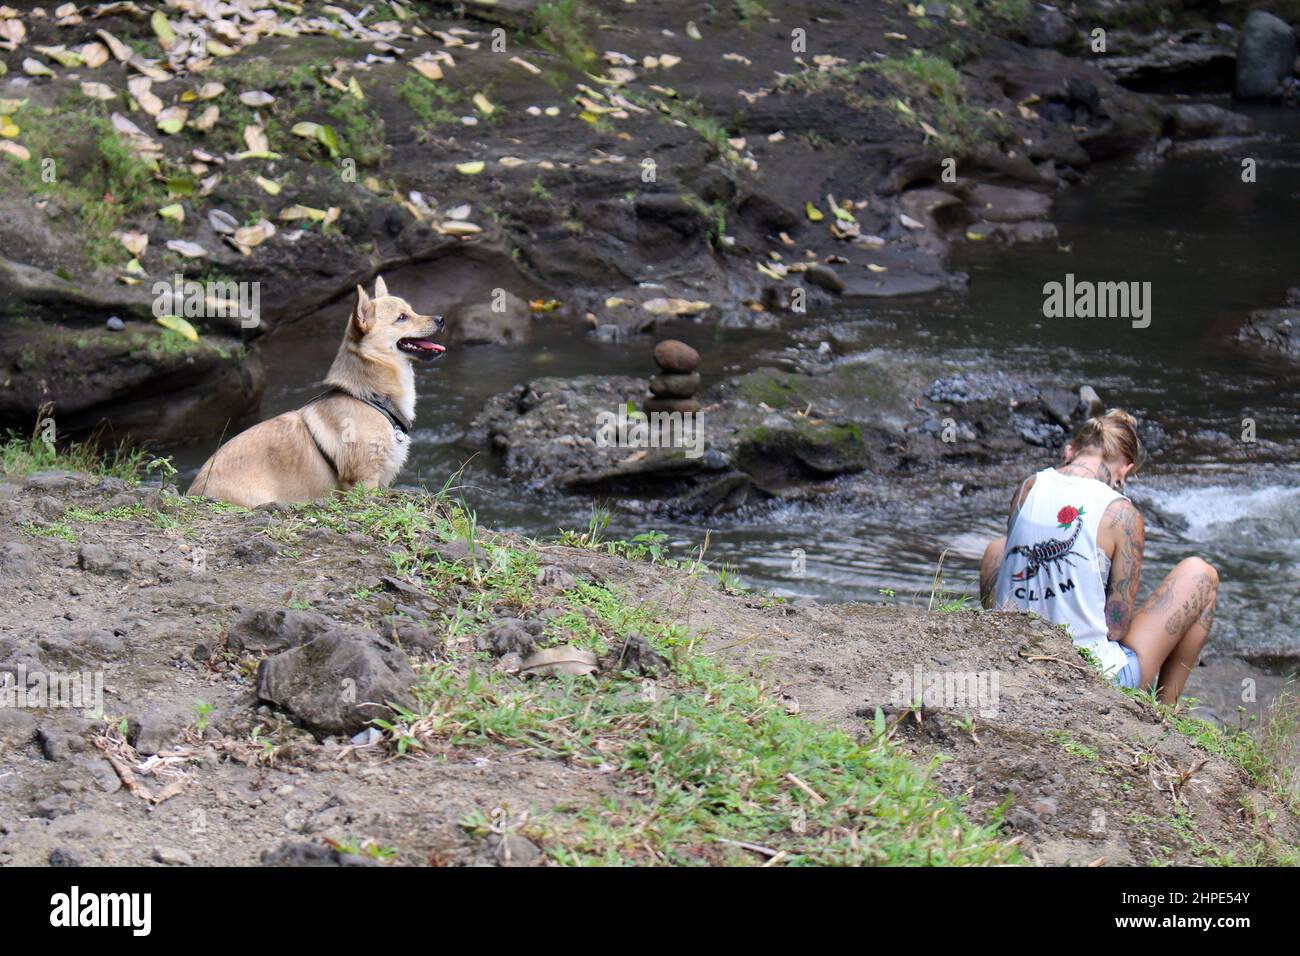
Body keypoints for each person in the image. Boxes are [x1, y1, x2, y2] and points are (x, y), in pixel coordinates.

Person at [979, 409, 1218, 705]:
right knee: (1201, 573)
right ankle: (1167, 711)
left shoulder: (1028, 487)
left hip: (1014, 656)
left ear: (1071, 451)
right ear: (1124, 470)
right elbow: (1116, 628)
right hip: (1089, 675)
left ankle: (999, 635)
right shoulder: (1122, 513)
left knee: (997, 548)